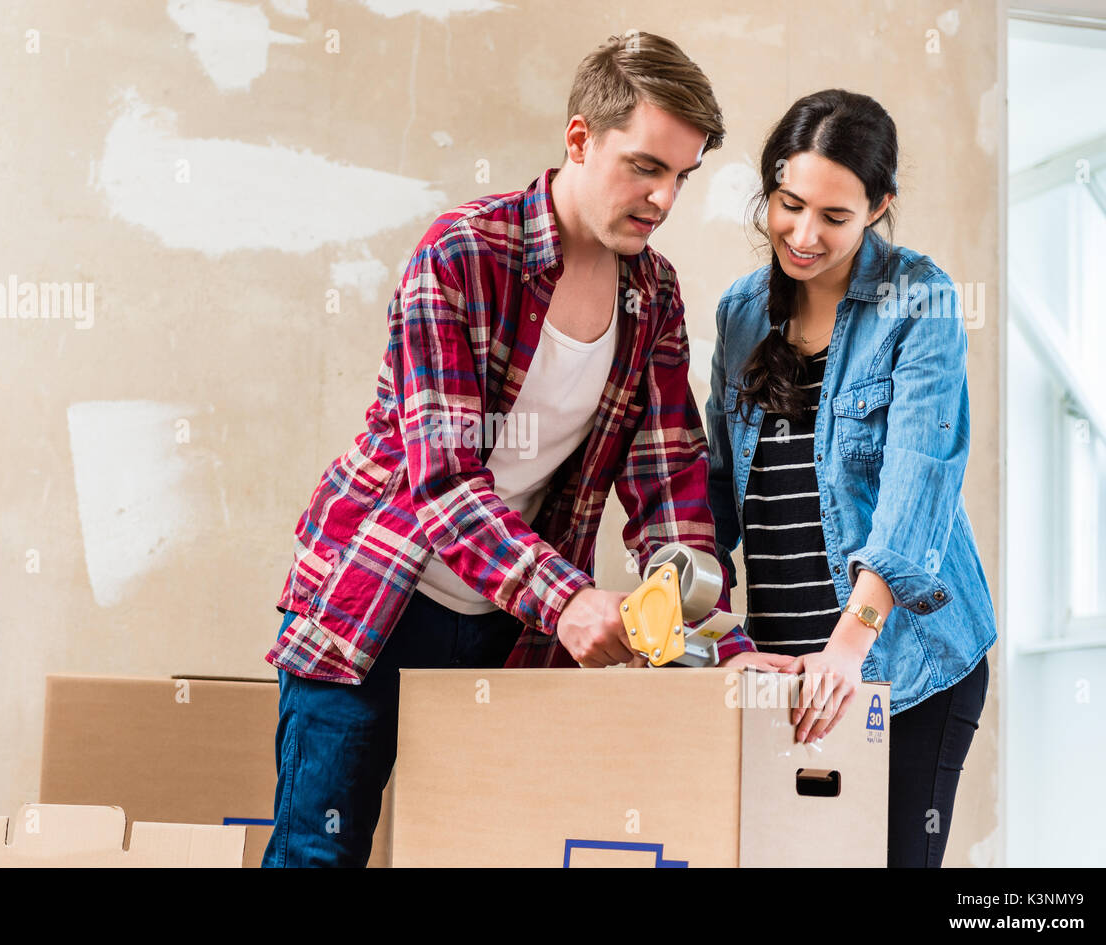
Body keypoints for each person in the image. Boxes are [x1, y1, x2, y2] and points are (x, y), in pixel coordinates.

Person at [264, 32, 789, 868]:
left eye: (681, 177)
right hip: (373, 608)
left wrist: (717, 637)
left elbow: (669, 484)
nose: (661, 197)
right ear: (580, 139)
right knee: (318, 857)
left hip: (507, 631)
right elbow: (443, 483)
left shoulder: (653, 295)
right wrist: (572, 601)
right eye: (645, 166)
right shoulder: (461, 253)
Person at [703, 88, 998, 867]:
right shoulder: (740, 314)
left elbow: (917, 486)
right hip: (784, 668)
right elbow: (716, 494)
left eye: (834, 217)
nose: (802, 235)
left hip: (905, 666)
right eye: (788, 204)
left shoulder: (919, 299)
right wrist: (707, 628)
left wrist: (848, 647)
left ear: (879, 207)